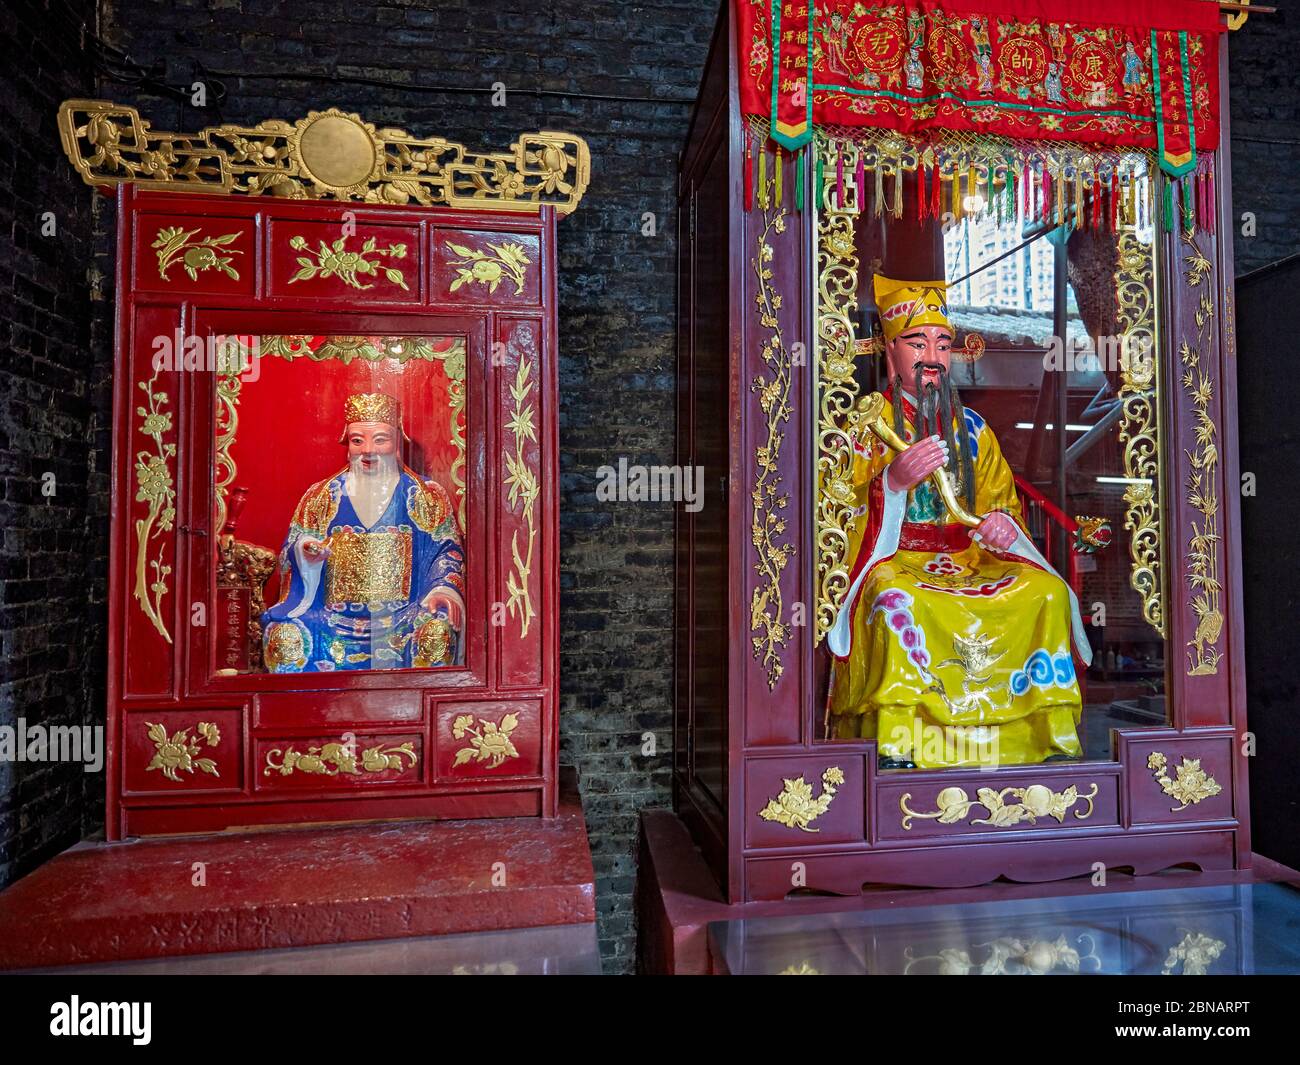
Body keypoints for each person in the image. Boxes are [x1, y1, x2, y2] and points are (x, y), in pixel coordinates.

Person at [826, 276, 1091, 768]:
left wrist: (1001, 527)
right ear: (889, 350)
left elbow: (1002, 506)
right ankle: (901, 742)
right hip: (895, 557)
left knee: (1045, 593)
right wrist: (892, 484)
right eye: (917, 342)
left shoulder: (973, 431)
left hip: (969, 558)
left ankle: (1044, 735)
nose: (933, 355)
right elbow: (834, 510)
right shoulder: (865, 426)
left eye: (943, 344)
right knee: (894, 601)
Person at [261, 392, 464, 672]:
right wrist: (306, 552)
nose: (368, 450)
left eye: (380, 439)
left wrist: (442, 590)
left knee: (435, 633)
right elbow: (291, 551)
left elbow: (446, 552)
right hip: (331, 624)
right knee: (284, 638)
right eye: (358, 440)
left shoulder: (426, 496)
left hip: (402, 622)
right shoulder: (321, 496)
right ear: (347, 443)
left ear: (396, 442)